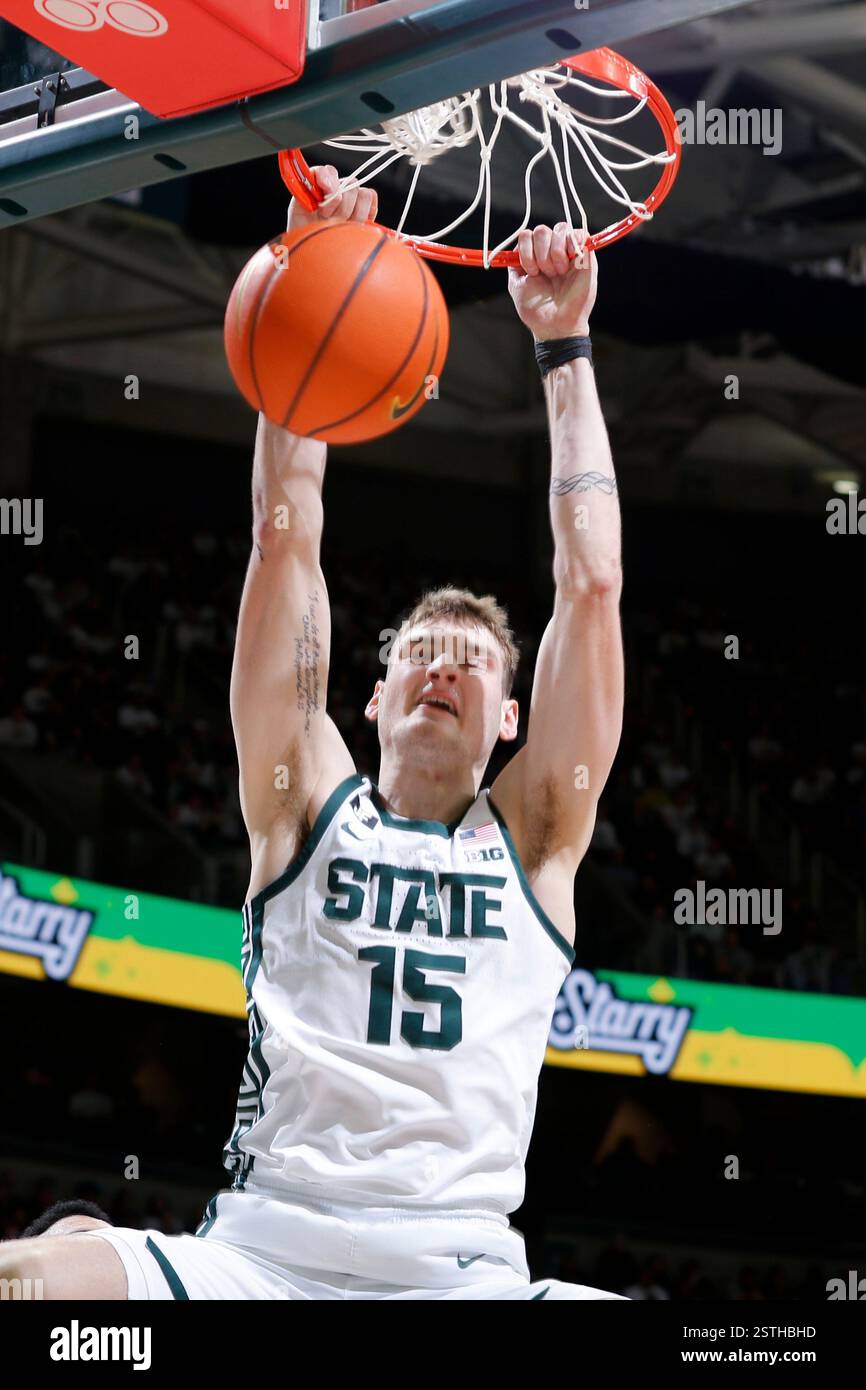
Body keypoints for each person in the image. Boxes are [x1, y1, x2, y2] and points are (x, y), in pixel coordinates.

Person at [1, 168, 625, 1301]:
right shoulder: (301, 797)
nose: (443, 666)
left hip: (461, 1274)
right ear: (370, 698)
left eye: (474, 662)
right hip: (264, 1256)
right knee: (30, 1282)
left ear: (512, 720)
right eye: (417, 654)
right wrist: (306, 276)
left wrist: (564, 345)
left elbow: (590, 586)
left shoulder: (536, 837)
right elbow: (284, 534)